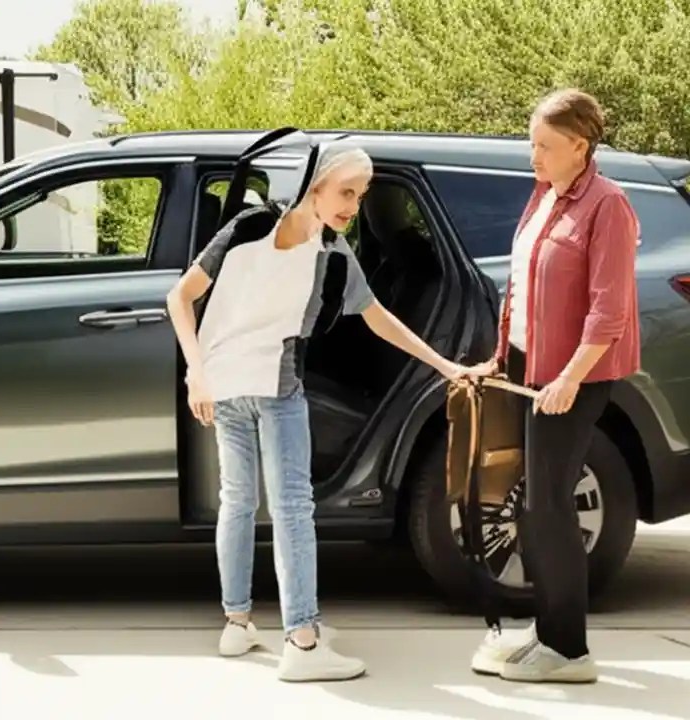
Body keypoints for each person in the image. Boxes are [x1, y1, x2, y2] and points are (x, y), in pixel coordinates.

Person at [166, 141, 475, 682]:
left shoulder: (332, 252)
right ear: (313, 186)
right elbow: (180, 296)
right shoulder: (248, 229)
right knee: (286, 508)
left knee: (239, 502)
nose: (354, 206)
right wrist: (195, 370)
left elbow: (377, 318)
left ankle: (238, 626)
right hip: (252, 387)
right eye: (346, 192)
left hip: (237, 383)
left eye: (362, 195)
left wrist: (445, 366)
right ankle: (302, 643)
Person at [465, 88, 641, 684]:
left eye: (543, 145)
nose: (531, 154)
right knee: (534, 504)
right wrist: (498, 359)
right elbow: (519, 287)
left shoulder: (607, 205)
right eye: (531, 142)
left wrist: (569, 377)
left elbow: (608, 310)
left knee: (548, 507)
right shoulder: (545, 196)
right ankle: (547, 632)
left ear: (579, 146)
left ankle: (568, 650)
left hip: (573, 378)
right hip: (529, 371)